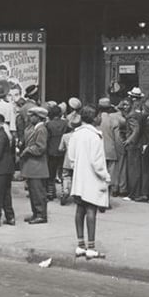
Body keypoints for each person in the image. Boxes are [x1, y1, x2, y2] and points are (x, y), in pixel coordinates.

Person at [67, 105, 111, 259]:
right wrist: (105, 176)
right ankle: (91, 247)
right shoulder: (95, 136)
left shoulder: (76, 134)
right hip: (92, 177)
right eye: (99, 116)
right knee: (91, 210)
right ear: (94, 118)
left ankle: (80, 245)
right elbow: (97, 162)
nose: (101, 118)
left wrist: (78, 168)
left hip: (79, 176)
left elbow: (71, 157)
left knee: (80, 210)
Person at [21, 105, 49, 223]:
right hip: (32, 166)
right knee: (33, 192)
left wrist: (28, 150)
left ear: (38, 117)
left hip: (37, 165)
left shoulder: (41, 129)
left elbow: (40, 148)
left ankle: (41, 214)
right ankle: (36, 213)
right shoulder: (34, 128)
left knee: (38, 192)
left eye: (32, 116)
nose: (30, 118)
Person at [45, 103, 70, 201]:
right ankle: (64, 191)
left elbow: (47, 138)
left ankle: (51, 192)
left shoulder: (48, 124)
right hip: (63, 150)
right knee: (63, 173)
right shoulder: (65, 123)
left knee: (51, 173)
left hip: (51, 151)